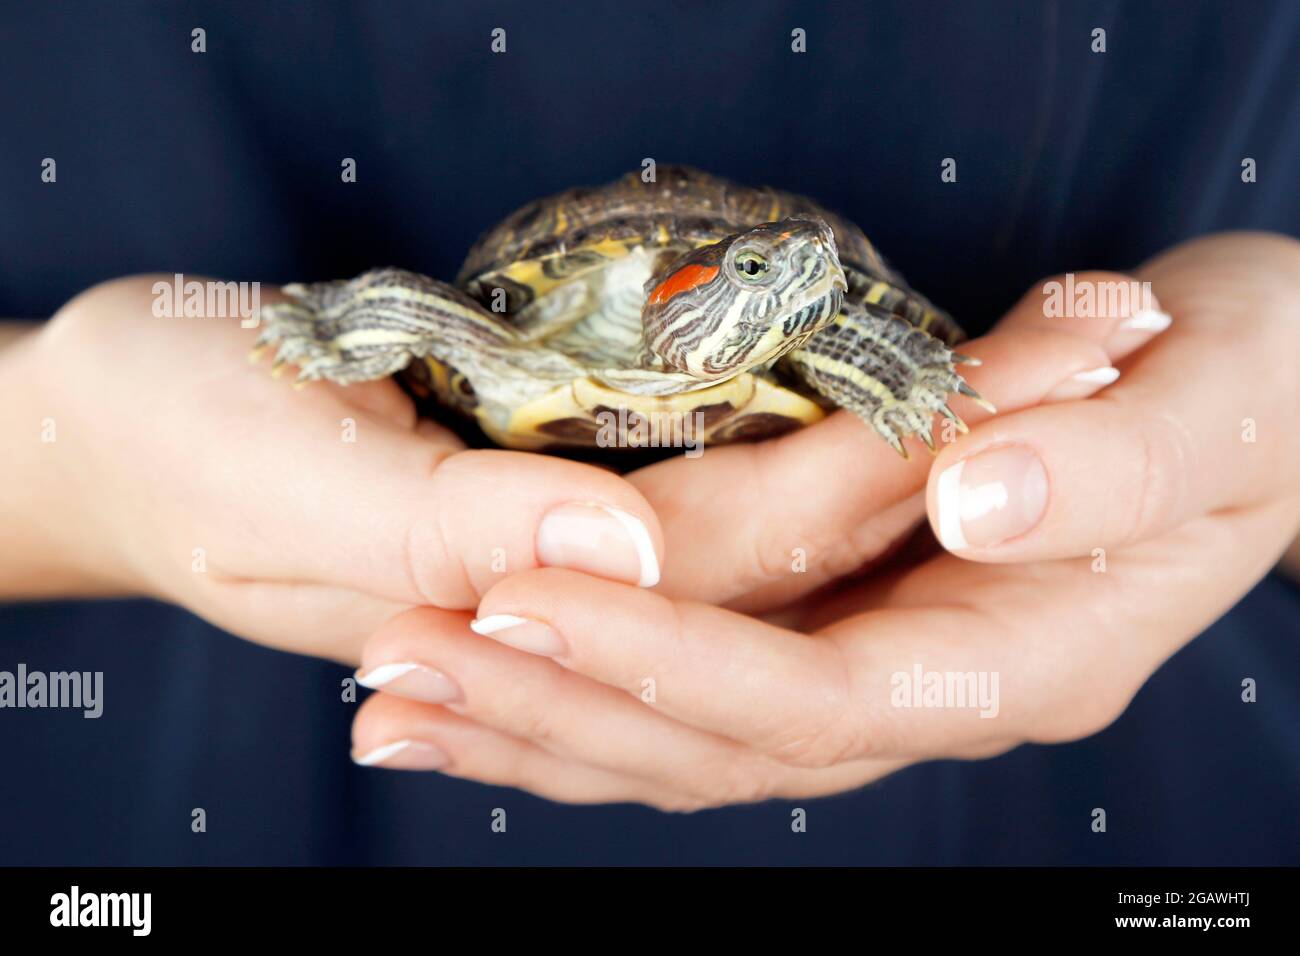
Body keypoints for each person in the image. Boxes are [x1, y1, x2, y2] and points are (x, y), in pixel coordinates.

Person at [1, 1, 1296, 864]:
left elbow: (878, 338)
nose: (785, 289)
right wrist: (59, 458)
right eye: (751, 280)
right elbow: (425, 319)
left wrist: (1256, 442)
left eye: (790, 285)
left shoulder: (800, 316)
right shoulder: (523, 325)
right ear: (678, 293)